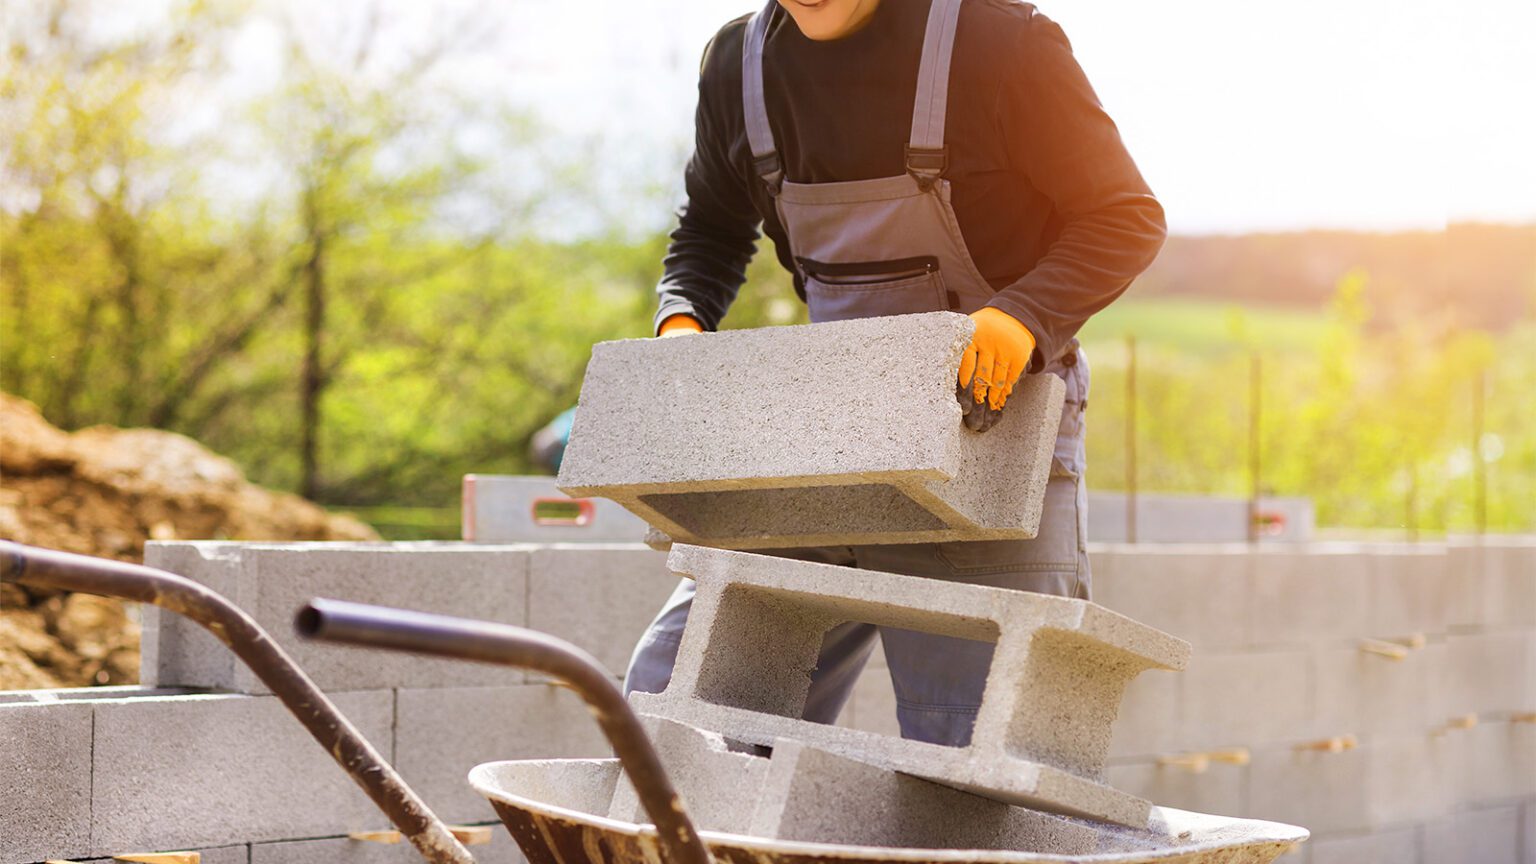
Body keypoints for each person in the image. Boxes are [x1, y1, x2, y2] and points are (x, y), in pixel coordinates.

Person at [624, 0, 1166, 747]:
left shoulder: (1002, 42)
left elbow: (1124, 216)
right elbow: (710, 230)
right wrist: (682, 321)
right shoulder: (739, 65)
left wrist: (1023, 317)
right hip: (820, 435)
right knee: (680, 711)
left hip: (985, 429)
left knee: (974, 746)